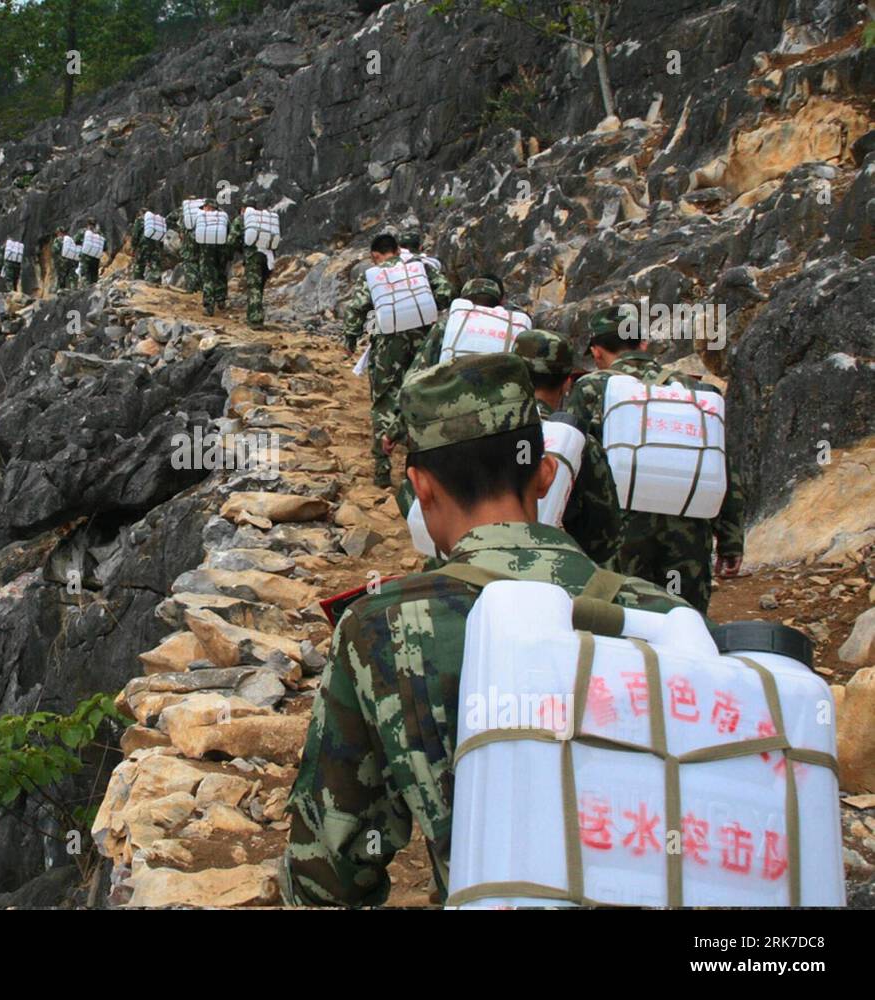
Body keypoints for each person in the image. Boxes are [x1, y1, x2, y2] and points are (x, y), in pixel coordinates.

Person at [281, 354, 693, 907]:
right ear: (545, 474)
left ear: (420, 486)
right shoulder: (667, 619)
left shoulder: (383, 626)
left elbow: (331, 865)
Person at [565, 304, 745, 613]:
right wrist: (730, 540)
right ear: (644, 344)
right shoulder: (693, 388)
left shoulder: (592, 388)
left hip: (618, 530)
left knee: (621, 621)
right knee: (685, 621)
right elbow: (723, 464)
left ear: (596, 352)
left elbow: (573, 456)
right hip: (689, 527)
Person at [342, 232, 453, 487]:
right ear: (398, 249)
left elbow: (357, 308)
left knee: (383, 401)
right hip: (422, 340)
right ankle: (415, 472)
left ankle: (382, 470)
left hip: (387, 344)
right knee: (419, 396)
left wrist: (350, 338)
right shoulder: (419, 268)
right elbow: (447, 293)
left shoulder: (373, 276)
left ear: (375, 255)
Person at [513, 327, 622, 567]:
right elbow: (603, 539)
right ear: (567, 383)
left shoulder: (484, 430)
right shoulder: (583, 445)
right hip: (552, 576)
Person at [228, 202, 274, 329]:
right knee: (259, 287)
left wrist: (240, 249)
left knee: (253, 287)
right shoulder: (264, 218)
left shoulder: (242, 219)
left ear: (243, 208)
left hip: (252, 257)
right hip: (268, 258)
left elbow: (232, 240)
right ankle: (254, 315)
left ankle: (255, 320)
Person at [194, 198, 230, 316]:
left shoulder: (201, 219)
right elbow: (230, 233)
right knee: (221, 275)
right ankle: (221, 301)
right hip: (221, 252)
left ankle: (209, 306)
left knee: (208, 278)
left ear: (206, 207)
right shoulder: (223, 218)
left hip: (206, 253)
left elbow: (194, 237)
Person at [168, 198, 202, 293]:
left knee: (189, 264)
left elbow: (169, 219)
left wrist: (178, 230)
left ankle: (191, 289)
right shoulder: (204, 210)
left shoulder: (183, 210)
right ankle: (201, 288)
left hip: (188, 241)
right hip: (202, 241)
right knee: (201, 263)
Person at [51, 227, 77, 292]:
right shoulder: (69, 239)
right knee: (71, 275)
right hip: (71, 261)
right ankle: (73, 289)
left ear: (59, 232)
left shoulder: (58, 240)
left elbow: (55, 250)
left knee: (62, 277)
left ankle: (61, 292)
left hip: (62, 262)